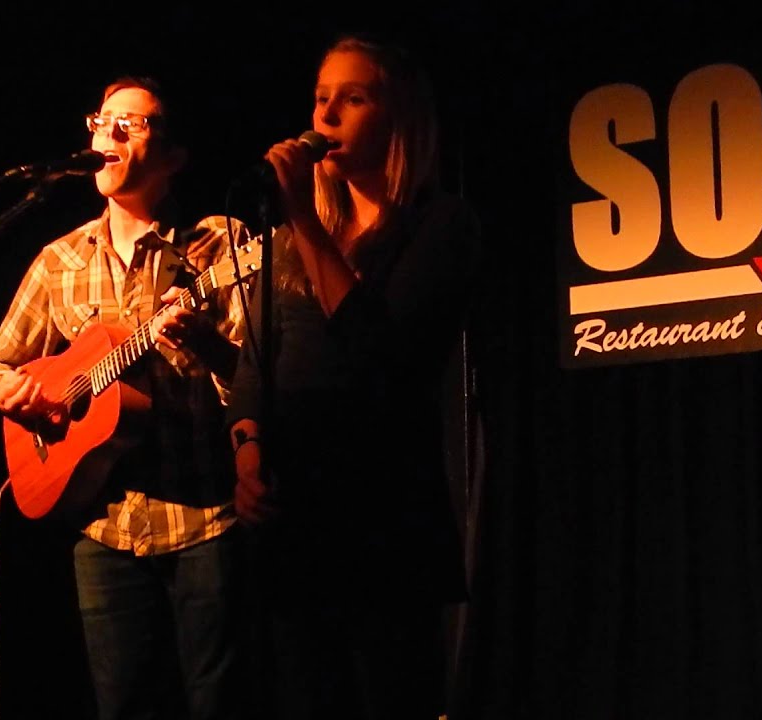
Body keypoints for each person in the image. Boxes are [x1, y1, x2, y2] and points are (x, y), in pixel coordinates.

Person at [0, 75, 252, 720]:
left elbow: (261, 388)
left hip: (206, 521)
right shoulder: (59, 261)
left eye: (134, 122)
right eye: (102, 120)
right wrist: (6, 389)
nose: (110, 132)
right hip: (103, 529)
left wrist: (206, 344)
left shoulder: (223, 246)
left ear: (175, 157)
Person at [227, 34, 481, 719]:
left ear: (398, 118)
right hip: (295, 526)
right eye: (320, 98)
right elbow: (256, 359)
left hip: (384, 526)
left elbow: (381, 354)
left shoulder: (441, 224)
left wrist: (304, 219)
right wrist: (247, 453)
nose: (327, 115)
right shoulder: (286, 243)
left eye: (353, 97)